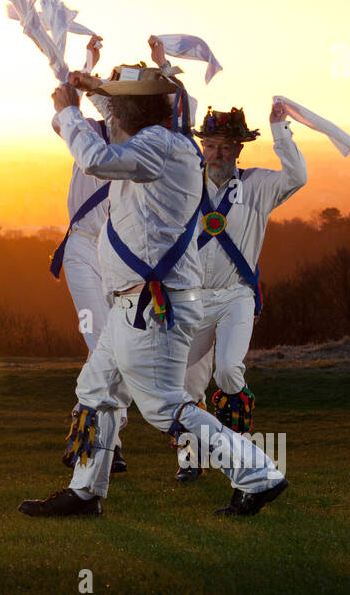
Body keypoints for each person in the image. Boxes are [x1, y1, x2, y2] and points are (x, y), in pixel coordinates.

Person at [18, 42, 288, 518]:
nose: (109, 115)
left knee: (165, 407)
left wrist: (67, 114)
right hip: (136, 305)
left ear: (132, 115)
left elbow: (95, 159)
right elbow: (121, 118)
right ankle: (85, 492)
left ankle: (259, 473)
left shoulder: (157, 147)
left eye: (114, 108)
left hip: (150, 308)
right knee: (95, 392)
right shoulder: (164, 140)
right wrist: (94, 87)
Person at [172, 101, 307, 481]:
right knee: (184, 381)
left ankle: (237, 444)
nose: (216, 154)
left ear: (238, 149)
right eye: (210, 145)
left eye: (226, 147)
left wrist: (281, 130)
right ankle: (191, 456)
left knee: (229, 370)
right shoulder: (183, 187)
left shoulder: (259, 186)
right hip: (192, 297)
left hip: (236, 295)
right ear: (202, 147)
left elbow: (297, 177)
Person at [48, 35, 129, 475]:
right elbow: (66, 109)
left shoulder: (143, 149)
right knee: (99, 340)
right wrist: (86, 64)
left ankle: (102, 434)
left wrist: (93, 77)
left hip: (122, 255)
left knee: (114, 346)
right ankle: (103, 442)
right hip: (81, 246)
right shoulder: (87, 133)